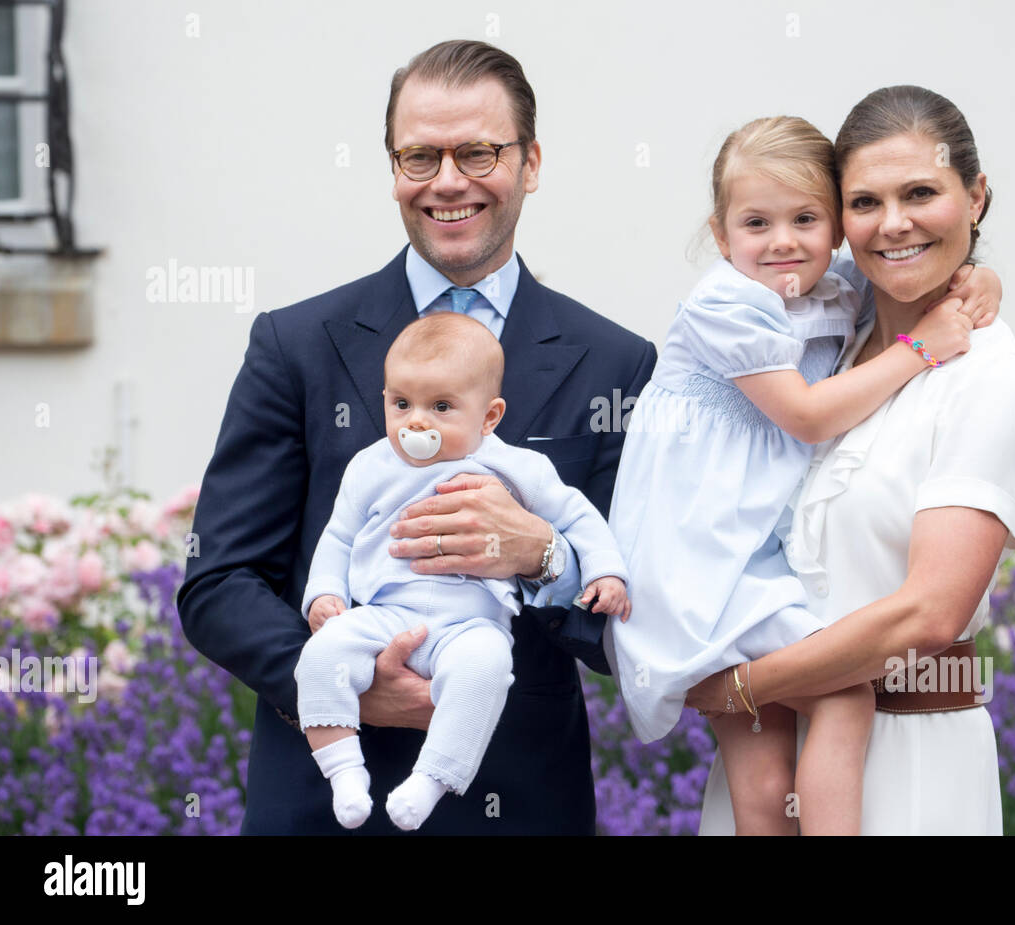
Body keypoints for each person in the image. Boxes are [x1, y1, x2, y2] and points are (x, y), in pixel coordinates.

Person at [176, 40, 656, 835]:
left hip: (521, 802)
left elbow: (629, 610)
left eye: (477, 152)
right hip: (323, 809)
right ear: (392, 166)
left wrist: (543, 555)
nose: (448, 181)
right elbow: (218, 579)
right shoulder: (294, 345)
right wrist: (336, 683)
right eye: (419, 156)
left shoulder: (616, 361)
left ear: (530, 162)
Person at [605, 116, 1002, 835]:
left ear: (837, 231)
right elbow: (809, 416)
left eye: (806, 218)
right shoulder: (727, 304)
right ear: (721, 236)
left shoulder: (832, 290)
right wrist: (920, 347)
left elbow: (912, 264)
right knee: (842, 699)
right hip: (703, 556)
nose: (784, 240)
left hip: (745, 551)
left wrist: (978, 274)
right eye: (757, 221)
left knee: (760, 771)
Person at [689, 86, 1015, 836]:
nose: (894, 224)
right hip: (775, 759)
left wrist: (741, 686)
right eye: (865, 202)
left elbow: (930, 612)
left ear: (976, 196)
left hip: (912, 763)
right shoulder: (825, 341)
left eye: (921, 193)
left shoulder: (990, 378)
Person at [295, 312, 630, 830]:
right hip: (385, 615)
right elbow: (338, 536)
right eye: (401, 403)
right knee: (322, 655)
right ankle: (343, 772)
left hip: (470, 625)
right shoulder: (370, 465)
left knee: (487, 669)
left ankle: (430, 780)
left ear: (489, 416)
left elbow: (579, 517)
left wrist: (606, 573)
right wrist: (323, 594)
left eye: (441, 407)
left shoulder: (517, 467)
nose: (416, 422)